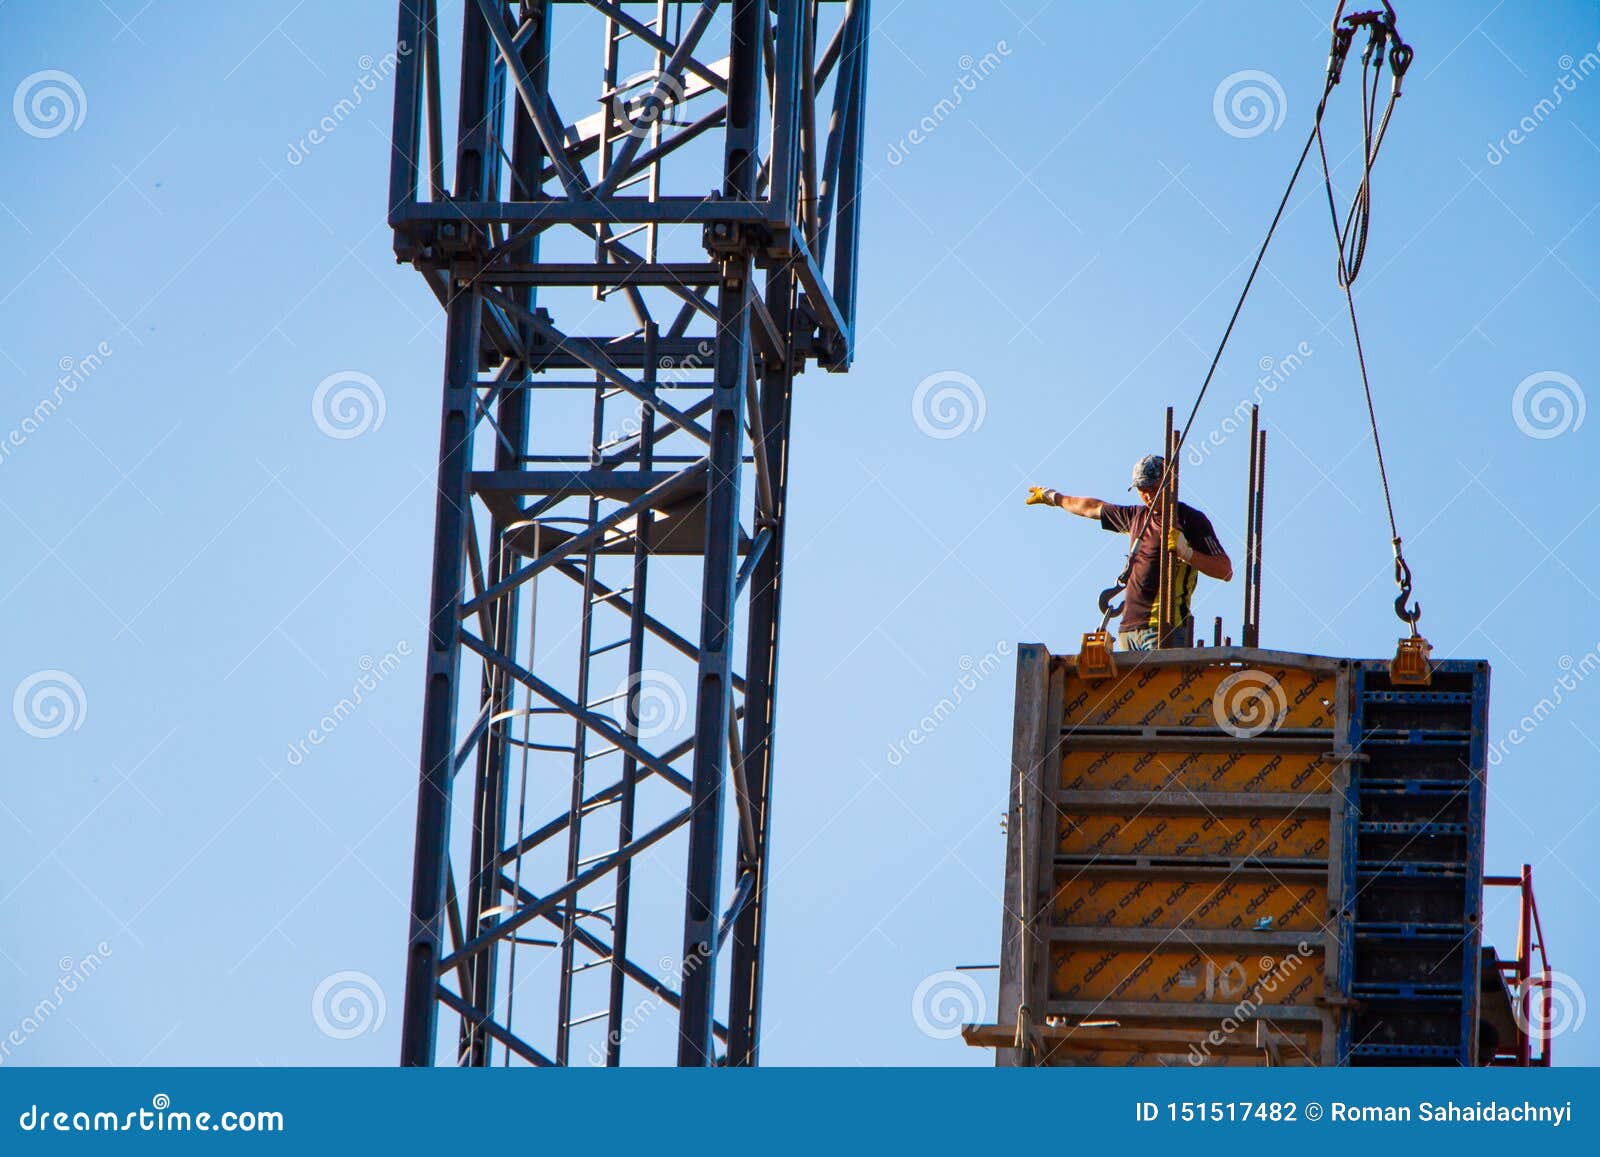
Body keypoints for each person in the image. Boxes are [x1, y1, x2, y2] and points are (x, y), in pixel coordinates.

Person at [1026, 454, 1232, 651]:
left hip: (1164, 628)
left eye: (1153, 487)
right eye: (1142, 489)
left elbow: (1225, 570)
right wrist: (1052, 497)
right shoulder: (1136, 517)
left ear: (1169, 483)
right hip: (1128, 631)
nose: (1148, 495)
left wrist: (1187, 553)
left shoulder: (1190, 520)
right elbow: (1091, 507)